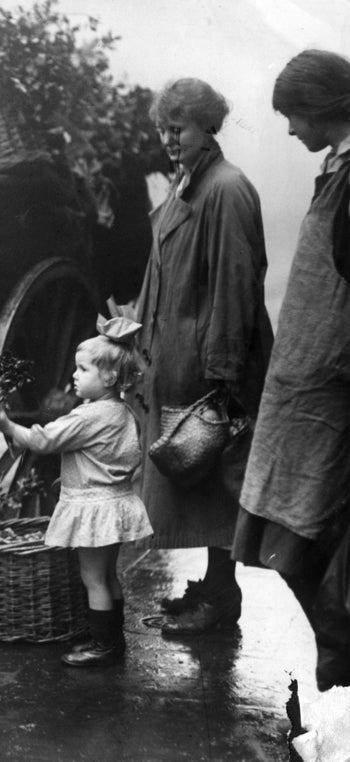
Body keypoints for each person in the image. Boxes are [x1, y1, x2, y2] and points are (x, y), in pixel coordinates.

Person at [134, 78, 273, 636]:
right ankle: (217, 586)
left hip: (211, 364)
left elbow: (237, 288)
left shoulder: (227, 188)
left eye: (179, 128)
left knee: (215, 480)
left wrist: (222, 374)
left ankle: (223, 598)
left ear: (208, 127)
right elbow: (160, 273)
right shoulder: (186, 183)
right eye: (163, 129)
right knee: (194, 482)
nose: (169, 138)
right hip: (180, 359)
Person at [233, 49, 350, 691]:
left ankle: (340, 670)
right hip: (302, 380)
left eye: (294, 115)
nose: (288, 130)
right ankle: (335, 665)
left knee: (312, 534)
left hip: (328, 386)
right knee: (287, 531)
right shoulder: (335, 166)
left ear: (324, 106)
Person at [0, 317, 152, 667]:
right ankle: (114, 640)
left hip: (95, 510)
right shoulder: (124, 414)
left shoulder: (86, 417)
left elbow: (42, 441)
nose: (74, 376)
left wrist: (6, 424)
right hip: (117, 505)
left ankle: (103, 645)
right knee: (108, 574)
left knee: (92, 578)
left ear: (108, 378)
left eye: (83, 369)